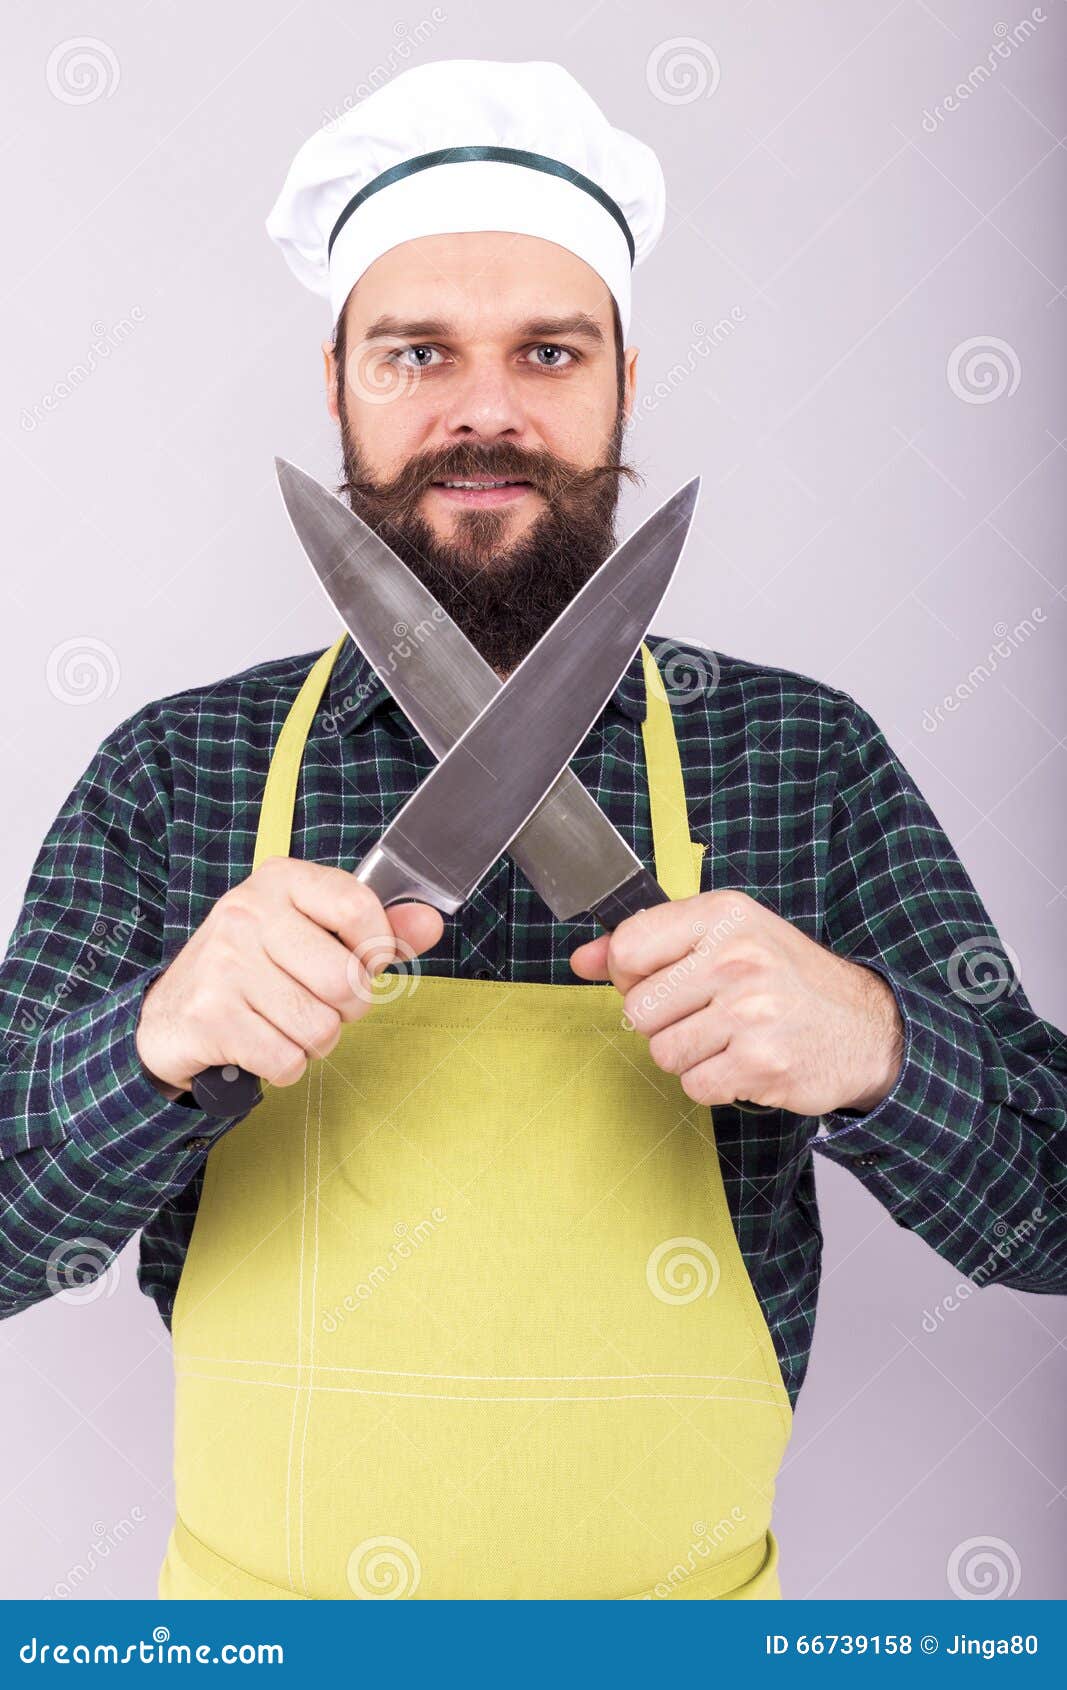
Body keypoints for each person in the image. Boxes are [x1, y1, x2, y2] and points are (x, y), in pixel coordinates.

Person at [1, 59, 1063, 1603]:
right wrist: (152, 1045)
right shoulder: (178, 772)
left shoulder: (803, 759)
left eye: (548, 352)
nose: (483, 410)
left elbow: (1049, 1216)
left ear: (627, 380)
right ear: (339, 388)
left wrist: (887, 1046)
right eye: (417, 351)